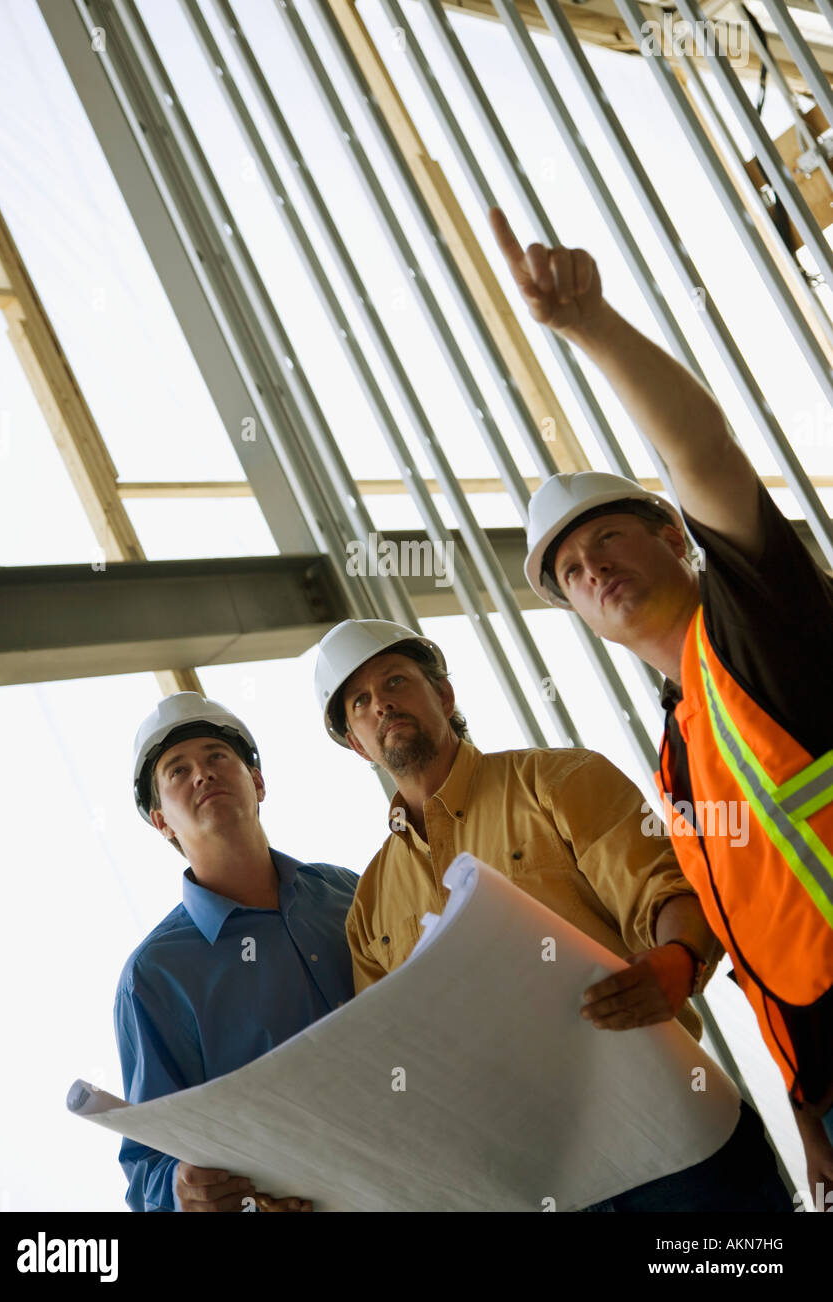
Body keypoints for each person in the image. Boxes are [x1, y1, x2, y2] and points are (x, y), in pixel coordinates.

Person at [489, 205, 833, 1205]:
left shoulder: (755, 627)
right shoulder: (679, 744)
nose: (589, 567)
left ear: (673, 540)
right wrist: (804, 1111)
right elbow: (758, 924)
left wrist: (590, 324)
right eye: (567, 569)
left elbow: (707, 458)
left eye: (607, 540)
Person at [313, 617, 792, 1212]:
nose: (381, 703)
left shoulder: (559, 782)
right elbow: (397, 1047)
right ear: (356, 743)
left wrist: (677, 960)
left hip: (673, 1147)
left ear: (443, 695)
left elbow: (665, 889)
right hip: (540, 1183)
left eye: (395, 682)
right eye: (360, 702)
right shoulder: (371, 903)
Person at [116, 691, 358, 1212]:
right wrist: (181, 1192)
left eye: (217, 757)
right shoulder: (155, 977)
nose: (202, 774)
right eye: (178, 770)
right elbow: (149, 1167)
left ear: (259, 782)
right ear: (162, 822)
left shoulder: (347, 893)